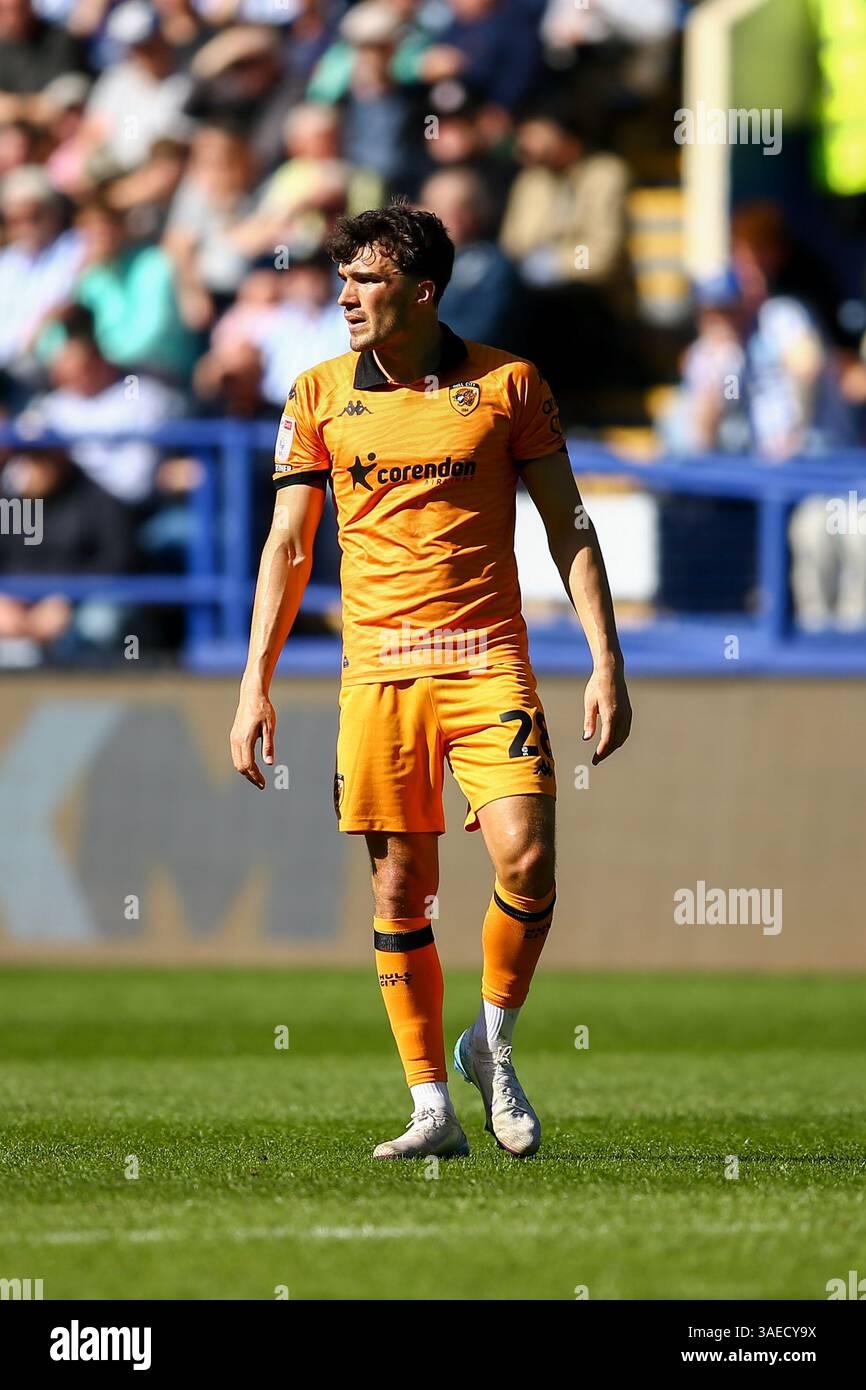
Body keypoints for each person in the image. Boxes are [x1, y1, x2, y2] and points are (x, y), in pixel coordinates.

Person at [229, 202, 632, 1160]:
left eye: (365, 280)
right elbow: (288, 545)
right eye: (342, 279)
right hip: (377, 672)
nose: (345, 297)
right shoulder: (318, 394)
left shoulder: (509, 384)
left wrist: (607, 659)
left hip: (486, 657)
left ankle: (489, 1043)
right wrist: (255, 684)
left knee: (526, 855)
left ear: (422, 289)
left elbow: (568, 525)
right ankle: (429, 1106)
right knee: (401, 890)